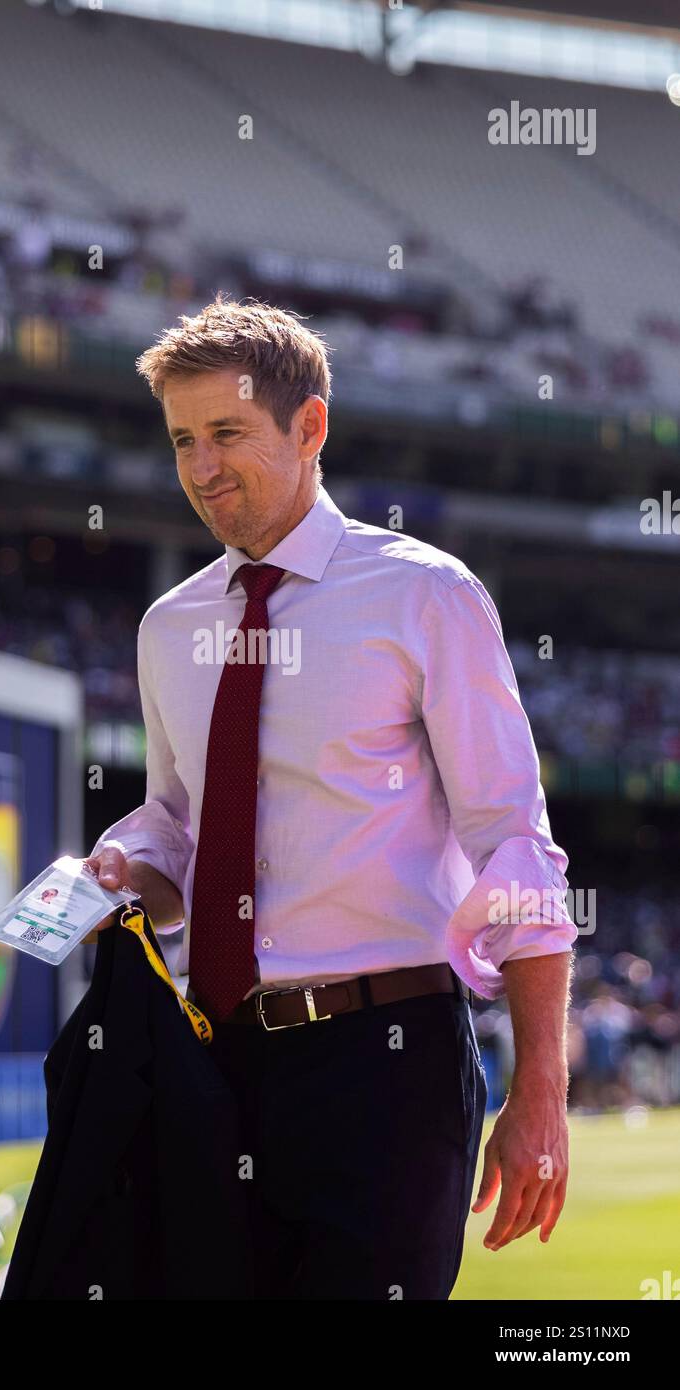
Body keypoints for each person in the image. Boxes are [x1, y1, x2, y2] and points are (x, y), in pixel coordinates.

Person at [84, 295, 577, 1300]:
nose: (201, 467)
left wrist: (539, 1091)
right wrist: (124, 866)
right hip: (210, 1068)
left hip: (381, 1068)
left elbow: (513, 845)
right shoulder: (166, 628)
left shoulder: (423, 595)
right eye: (182, 440)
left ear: (308, 426)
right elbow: (178, 827)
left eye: (226, 432)